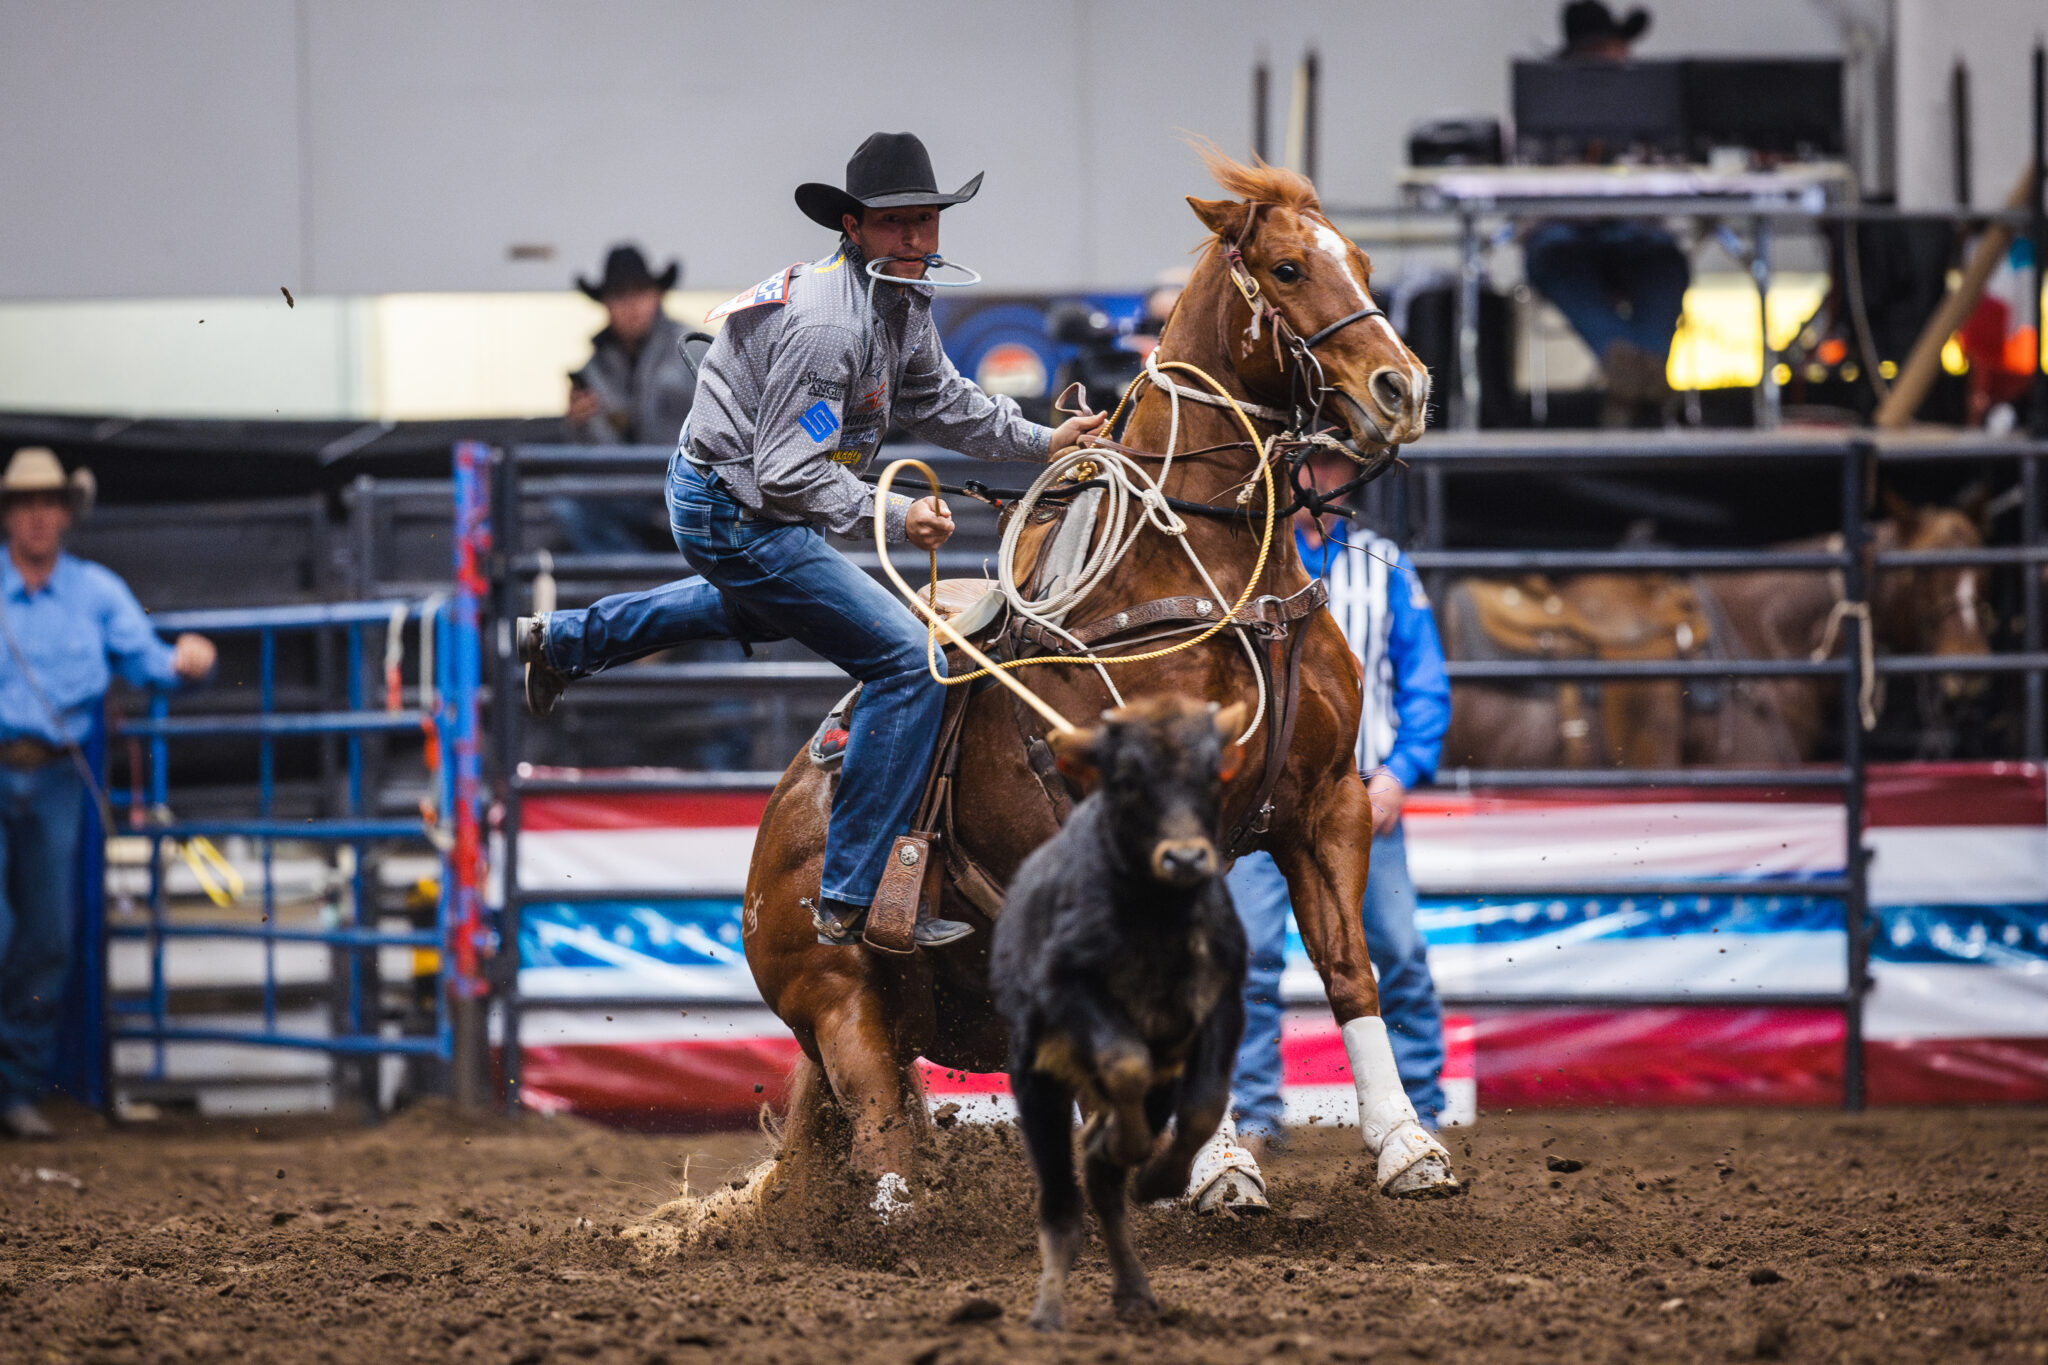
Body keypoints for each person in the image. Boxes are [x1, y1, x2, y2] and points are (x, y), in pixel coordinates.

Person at [522, 132, 1105, 949]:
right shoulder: (829, 322)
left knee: (765, 610)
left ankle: (564, 641)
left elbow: (943, 402)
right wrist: (897, 515)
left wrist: (1048, 442)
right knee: (911, 661)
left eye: (926, 220)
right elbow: (789, 470)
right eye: (897, 222)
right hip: (735, 507)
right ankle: (854, 895)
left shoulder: (898, 302)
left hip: (735, 496)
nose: (915, 238)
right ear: (855, 226)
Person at [1226, 446, 1451, 1152]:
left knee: (1399, 950)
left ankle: (1419, 1107)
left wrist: (1397, 775)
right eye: (1311, 463)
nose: (1321, 478)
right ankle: (1255, 1114)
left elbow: (1426, 688)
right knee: (1249, 955)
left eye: (1333, 465)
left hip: (1356, 796)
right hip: (1263, 800)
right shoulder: (1243, 565)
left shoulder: (1382, 566)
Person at [0, 448, 215, 1140]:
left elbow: (151, 661)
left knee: (45, 936)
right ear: (10, 515)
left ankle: (13, 1087)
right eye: (24, 502)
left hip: (60, 773)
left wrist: (186, 662)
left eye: (48, 502)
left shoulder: (95, 592)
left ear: (65, 512)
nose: (37, 514)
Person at [1521, 1, 1690, 427]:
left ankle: (1628, 381)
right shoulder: (1540, 111)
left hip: (1635, 233)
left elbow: (1676, 169)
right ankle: (1645, 381)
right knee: (1555, 255)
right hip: (1566, 234)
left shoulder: (1650, 108)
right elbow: (1522, 182)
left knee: (1665, 260)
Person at [561, 244, 703, 552]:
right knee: (568, 507)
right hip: (630, 496)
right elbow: (594, 457)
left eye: (640, 292)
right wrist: (580, 425)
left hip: (690, 492)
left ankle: (635, 583)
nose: (632, 305)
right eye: (620, 295)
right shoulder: (595, 368)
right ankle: (635, 582)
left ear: (656, 295)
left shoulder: (692, 348)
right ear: (606, 303)